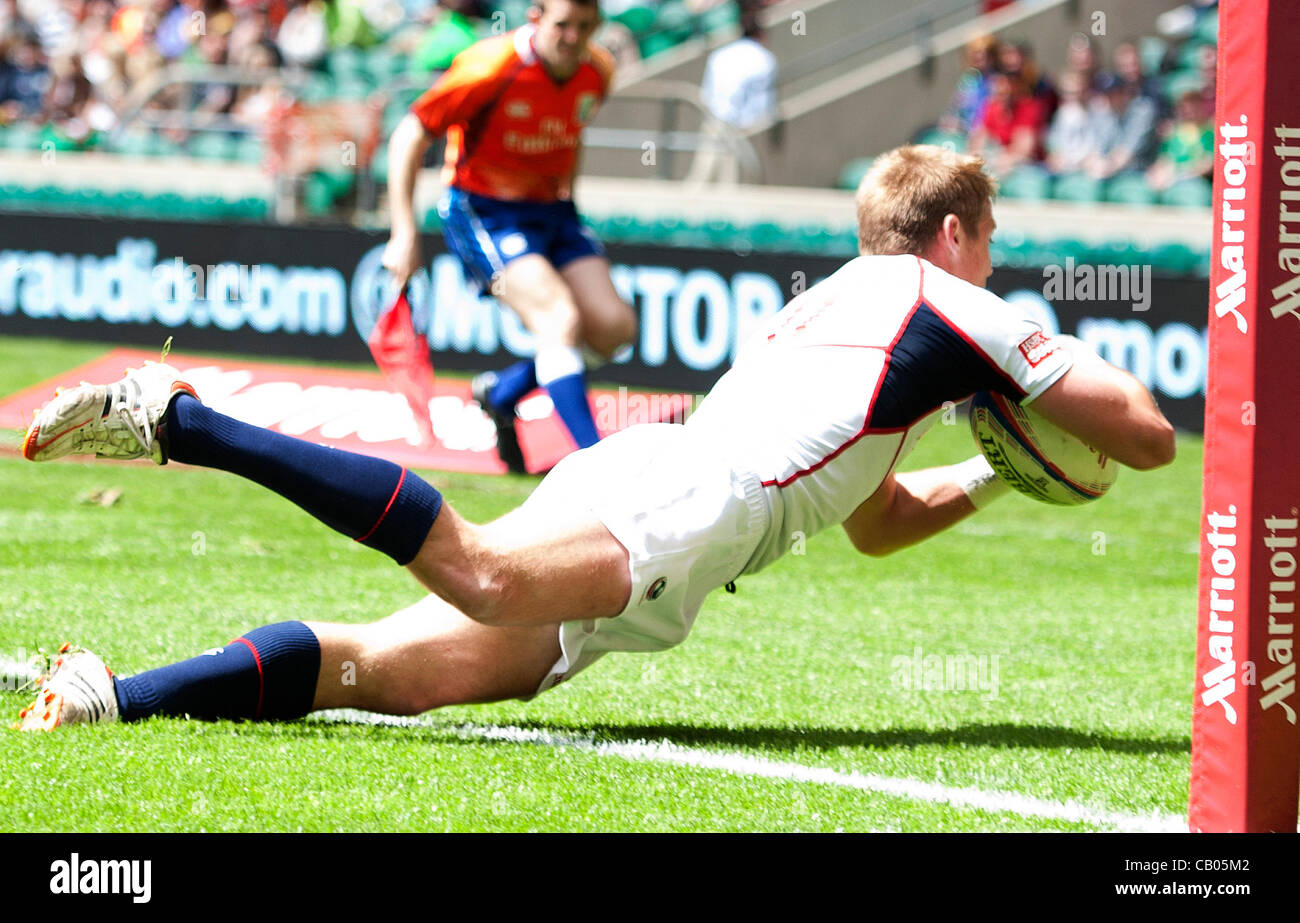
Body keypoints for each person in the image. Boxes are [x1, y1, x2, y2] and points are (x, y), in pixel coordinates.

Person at [13, 145, 1176, 733]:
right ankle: (184, 421)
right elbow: (1145, 433)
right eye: (991, 242)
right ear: (958, 231)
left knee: (390, 672)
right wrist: (1033, 392)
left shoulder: (837, 308)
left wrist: (990, 465)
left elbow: (874, 521)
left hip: (676, 485)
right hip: (701, 500)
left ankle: (116, 695)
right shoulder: (950, 304)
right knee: (478, 574)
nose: (996, 265)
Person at [383, 0, 637, 474]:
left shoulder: (598, 70)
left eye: (585, 27)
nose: (572, 37)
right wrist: (403, 232)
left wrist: (569, 199)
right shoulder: (489, 66)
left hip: (554, 211)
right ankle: (598, 464)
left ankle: (499, 394)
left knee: (614, 330)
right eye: (563, 25)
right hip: (483, 211)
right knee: (559, 320)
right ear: (536, 18)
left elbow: (570, 131)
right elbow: (409, 135)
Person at [686, 3, 777, 185]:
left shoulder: (721, 54)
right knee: (729, 181)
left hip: (713, 118)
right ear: (761, 35)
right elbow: (763, 101)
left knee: (701, 174)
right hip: (738, 125)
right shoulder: (765, 60)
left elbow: (706, 93)